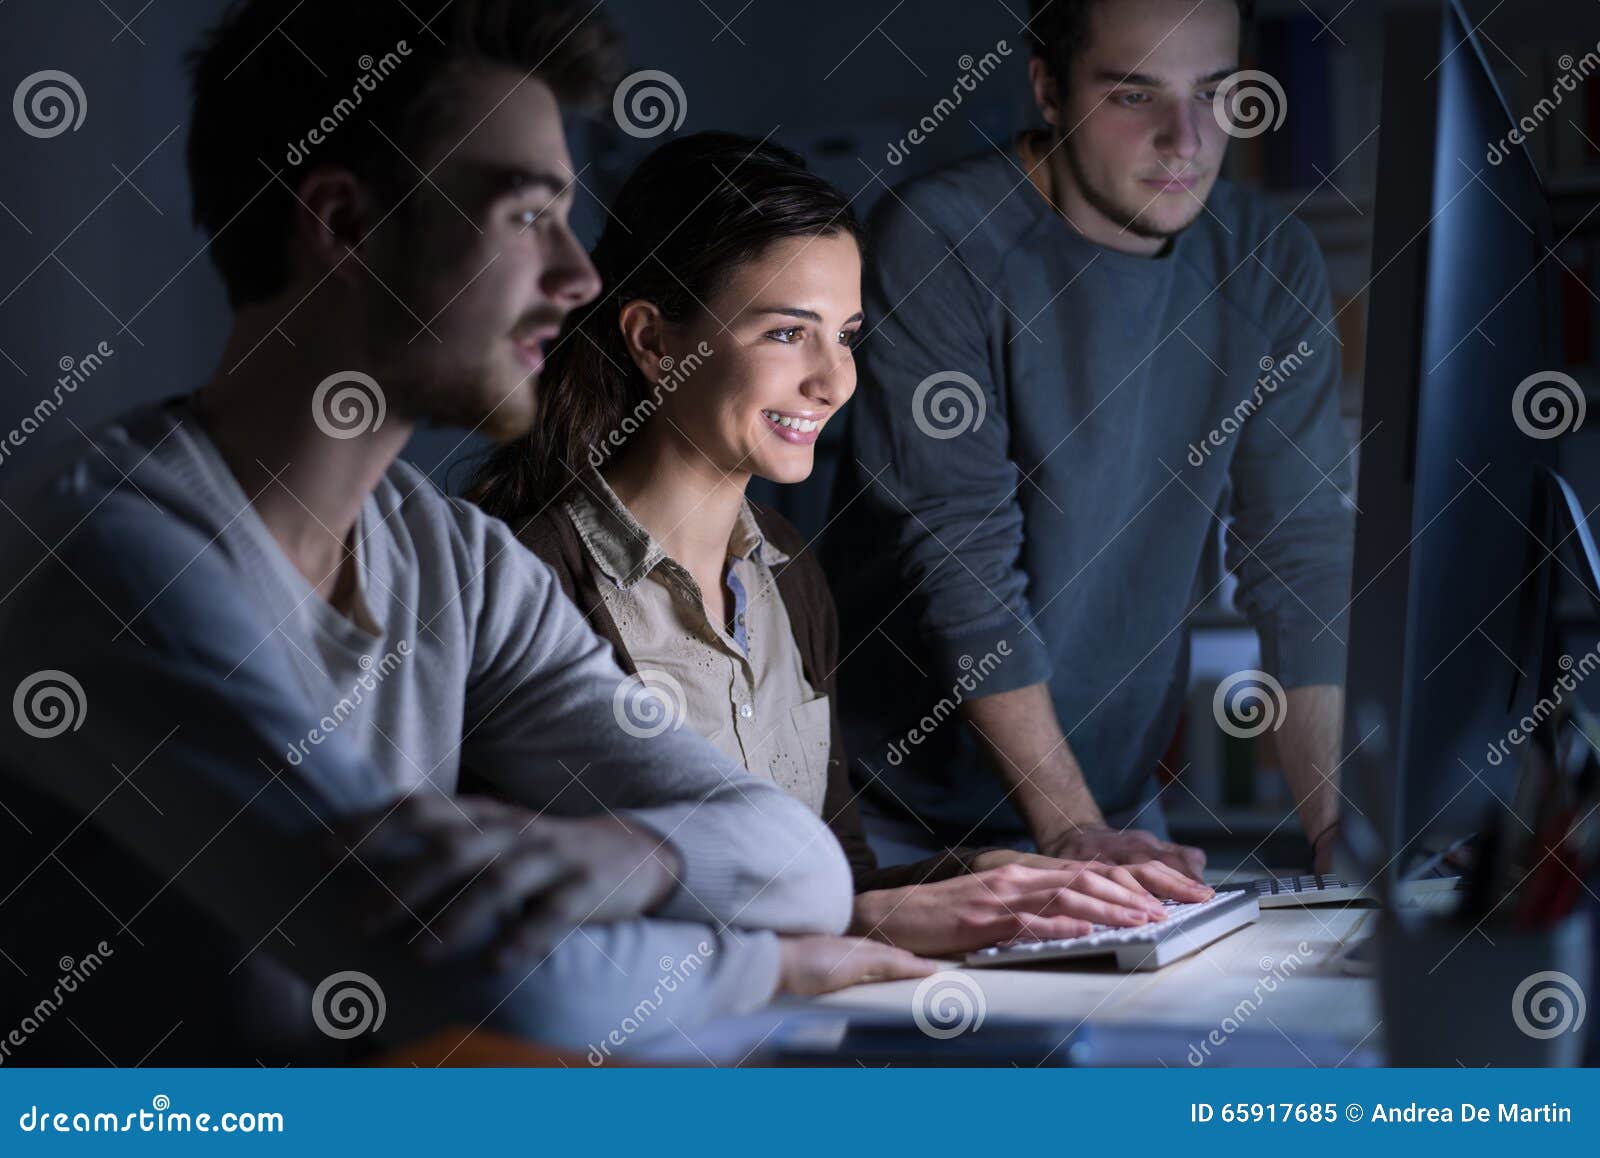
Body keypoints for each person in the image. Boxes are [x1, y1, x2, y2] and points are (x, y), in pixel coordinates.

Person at [0, 0, 901, 1066]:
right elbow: (480, 980)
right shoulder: (110, 554)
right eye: (526, 216)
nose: (577, 277)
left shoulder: (456, 563)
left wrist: (624, 851)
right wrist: (770, 966)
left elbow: (804, 863)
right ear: (342, 224)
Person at [467, 131, 1214, 958]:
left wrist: (998, 874)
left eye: (846, 333)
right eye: (788, 333)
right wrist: (872, 919)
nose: (833, 380)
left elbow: (836, 878)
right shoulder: (527, 580)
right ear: (654, 340)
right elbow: (536, 926)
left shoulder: (790, 572)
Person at [824, 0, 1354, 878]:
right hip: (894, 809)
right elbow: (961, 555)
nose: (1185, 140)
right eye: (1135, 96)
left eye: (1216, 94)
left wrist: (1342, 836)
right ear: (1049, 90)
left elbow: (1301, 554)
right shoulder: (938, 238)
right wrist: (1072, 833)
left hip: (1109, 800)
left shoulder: (1270, 260)